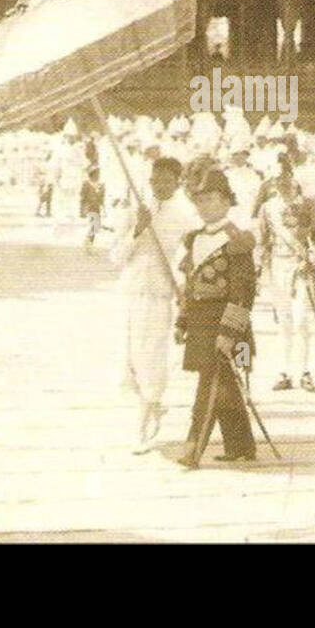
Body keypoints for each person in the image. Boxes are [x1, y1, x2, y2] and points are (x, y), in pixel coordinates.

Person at [110, 156, 198, 453]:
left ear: (177, 181)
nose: (158, 185)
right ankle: (151, 407)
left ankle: (144, 423)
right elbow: (116, 257)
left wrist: (184, 288)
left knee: (150, 359)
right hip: (130, 292)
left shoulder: (187, 216)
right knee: (128, 362)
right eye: (154, 179)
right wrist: (137, 230)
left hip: (159, 296)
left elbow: (189, 260)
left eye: (165, 180)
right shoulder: (136, 209)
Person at [176, 169, 257, 467]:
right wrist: (182, 321)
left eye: (210, 199)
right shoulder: (194, 239)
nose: (204, 206)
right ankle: (242, 445)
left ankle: (192, 448)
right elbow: (190, 284)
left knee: (210, 386)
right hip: (199, 321)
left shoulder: (237, 239)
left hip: (225, 323)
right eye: (199, 200)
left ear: (226, 201)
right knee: (222, 384)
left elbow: (244, 291)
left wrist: (229, 332)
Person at [258, 155, 315, 393]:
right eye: (275, 180)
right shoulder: (268, 208)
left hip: (300, 265)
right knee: (283, 322)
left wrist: (311, 260)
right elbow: (263, 242)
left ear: (291, 177)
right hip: (278, 265)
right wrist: (261, 272)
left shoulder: (308, 204)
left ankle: (304, 371)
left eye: (283, 178)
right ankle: (284, 371)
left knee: (301, 319)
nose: (280, 183)